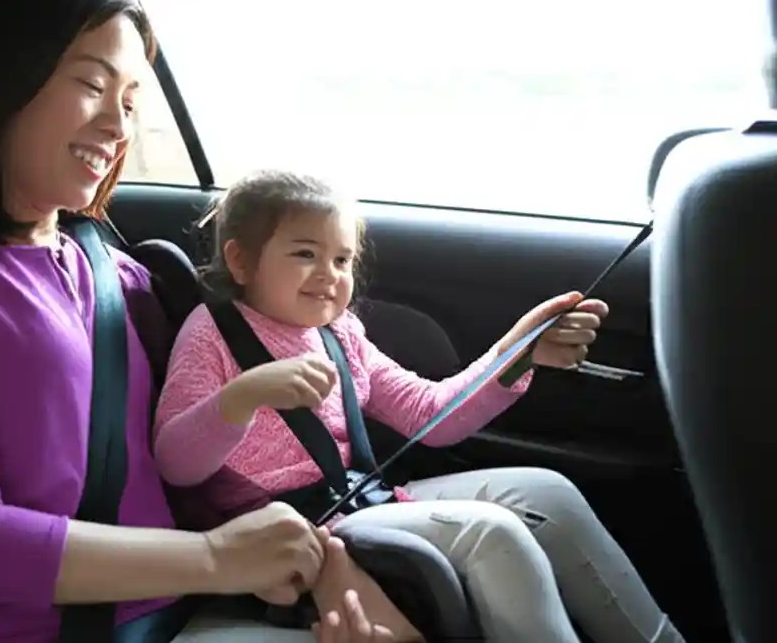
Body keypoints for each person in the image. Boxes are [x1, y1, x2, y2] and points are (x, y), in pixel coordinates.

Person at [0, 0, 392, 643]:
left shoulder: (120, 274)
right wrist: (214, 559)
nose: (118, 126)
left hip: (206, 601)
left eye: (130, 101)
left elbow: (192, 456)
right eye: (92, 85)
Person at [152, 170, 685, 643]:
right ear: (241, 261)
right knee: (492, 534)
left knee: (549, 493)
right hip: (289, 530)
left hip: (357, 496)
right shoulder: (212, 335)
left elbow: (427, 415)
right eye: (304, 254)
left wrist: (514, 356)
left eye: (342, 259)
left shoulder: (340, 333)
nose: (329, 274)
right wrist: (241, 398)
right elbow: (176, 462)